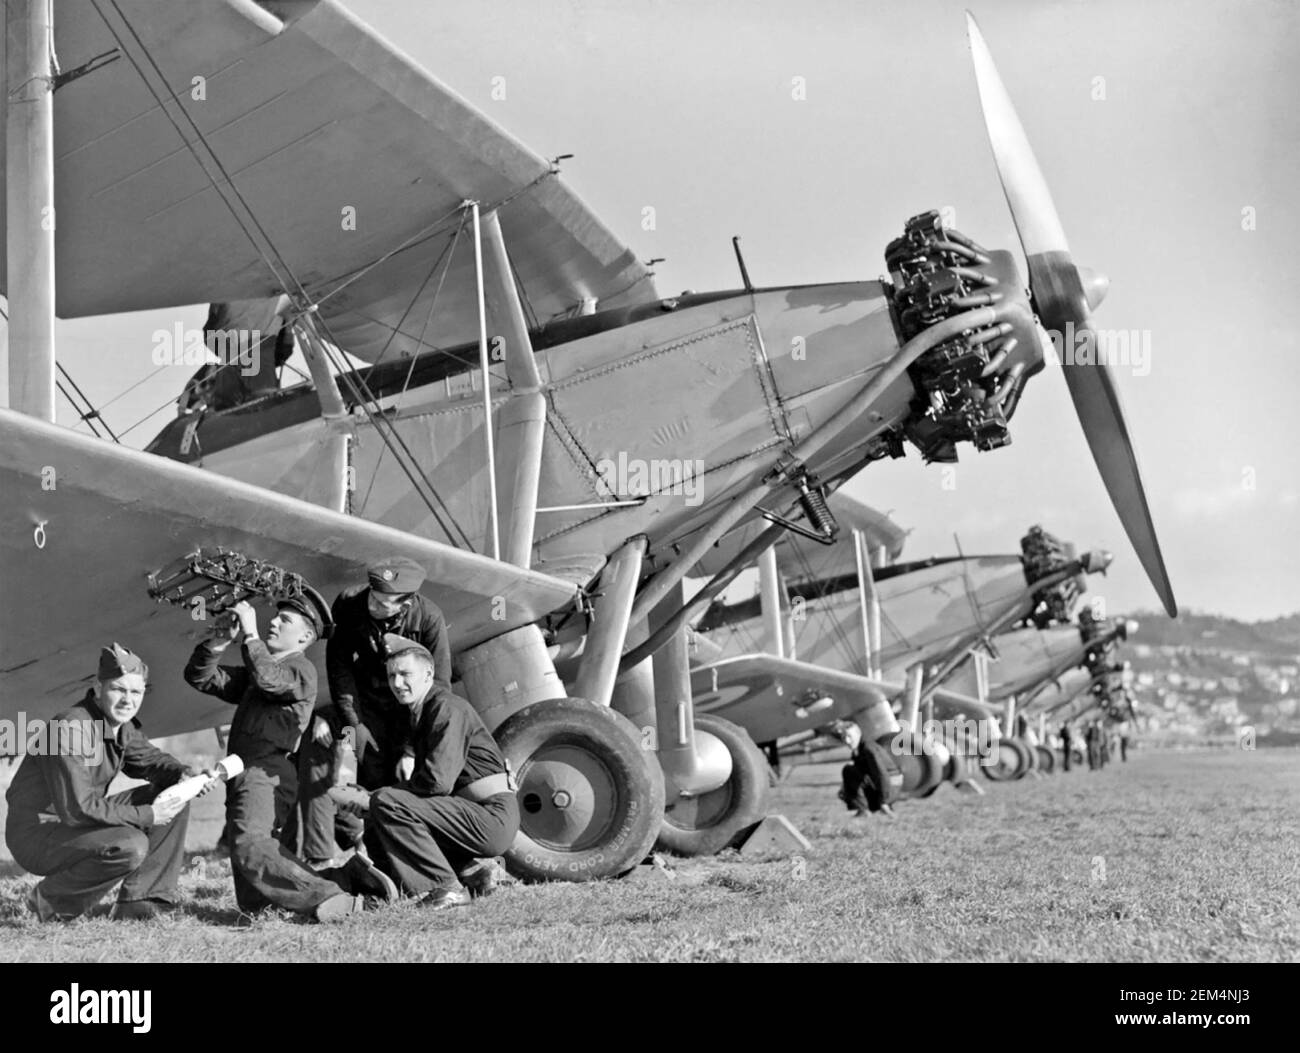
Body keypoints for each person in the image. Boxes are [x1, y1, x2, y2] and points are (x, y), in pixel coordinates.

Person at [183, 597, 394, 922]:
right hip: (243, 771)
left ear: (304, 637)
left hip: (265, 771)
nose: (274, 622)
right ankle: (342, 880)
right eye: (276, 617)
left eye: (284, 619)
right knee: (252, 886)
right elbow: (200, 678)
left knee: (250, 844)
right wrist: (219, 641)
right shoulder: (260, 674)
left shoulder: (301, 670)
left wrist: (251, 635)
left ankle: (333, 899)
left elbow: (269, 678)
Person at [5, 644, 196, 922]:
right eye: (119, 689)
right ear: (97, 688)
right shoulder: (69, 728)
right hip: (38, 835)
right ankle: (49, 901)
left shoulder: (118, 726)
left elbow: (151, 761)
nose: (127, 700)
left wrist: (184, 776)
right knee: (130, 845)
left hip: (75, 823)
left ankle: (140, 902)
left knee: (176, 797)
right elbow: (78, 808)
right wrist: (150, 815)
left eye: (136, 692)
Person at [288, 556, 451, 867]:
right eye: (373, 595)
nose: (373, 604)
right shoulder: (351, 603)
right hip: (363, 705)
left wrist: (411, 747)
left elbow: (439, 686)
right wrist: (353, 723)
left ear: (405, 604)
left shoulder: (429, 618)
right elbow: (339, 667)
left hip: (409, 712)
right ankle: (343, 855)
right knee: (351, 762)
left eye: (383, 602)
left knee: (402, 779)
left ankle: (417, 856)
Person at [352, 635, 519, 909]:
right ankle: (475, 873)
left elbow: (436, 782)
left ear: (429, 674)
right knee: (383, 815)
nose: (396, 683)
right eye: (391, 675)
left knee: (387, 802)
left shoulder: (446, 707)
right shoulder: (424, 713)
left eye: (405, 674)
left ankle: (444, 888)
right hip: (473, 812)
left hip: (490, 815)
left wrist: (373, 797)